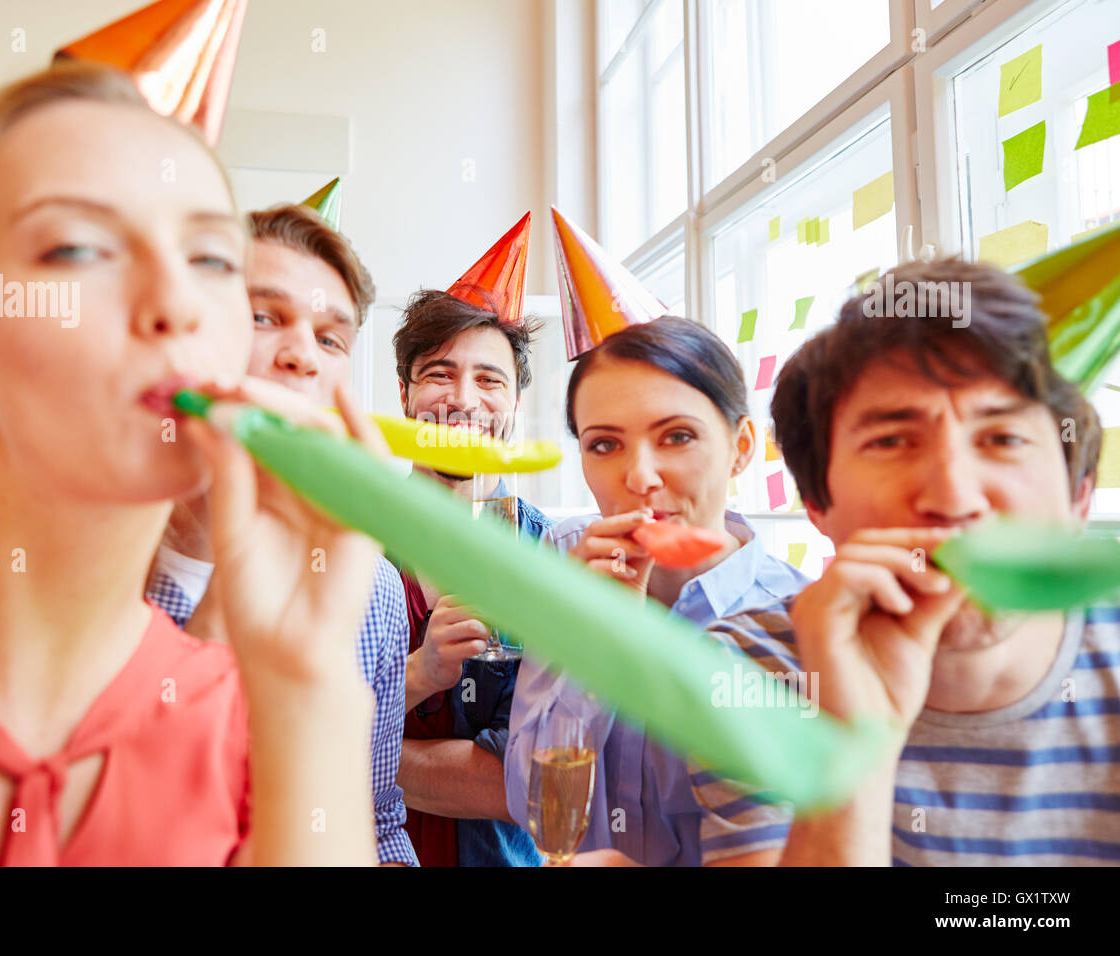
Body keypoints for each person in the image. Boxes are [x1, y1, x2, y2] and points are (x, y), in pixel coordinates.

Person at [0, 62, 382, 866]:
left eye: (211, 260)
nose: (176, 302)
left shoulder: (267, 717)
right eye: (79, 248)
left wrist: (307, 686)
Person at [586, 258, 1116, 866]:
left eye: (1003, 439)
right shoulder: (756, 669)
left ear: (1079, 496)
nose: (953, 496)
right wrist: (858, 748)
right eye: (891, 441)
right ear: (818, 502)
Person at [147, 201, 418, 866]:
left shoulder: (372, 587)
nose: (301, 355)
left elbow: (379, 821)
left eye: (331, 339)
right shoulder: (97, 571)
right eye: (264, 317)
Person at [505, 315, 808, 865]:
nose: (640, 476)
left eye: (677, 436)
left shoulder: (798, 617)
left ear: (741, 448)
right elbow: (539, 811)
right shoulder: (566, 567)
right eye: (604, 445)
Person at [392, 240, 551, 865]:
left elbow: (529, 779)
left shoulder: (549, 556)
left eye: (490, 379)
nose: (463, 400)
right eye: (439, 374)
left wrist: (342, 740)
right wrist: (415, 676)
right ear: (405, 392)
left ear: (513, 407)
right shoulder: (338, 539)